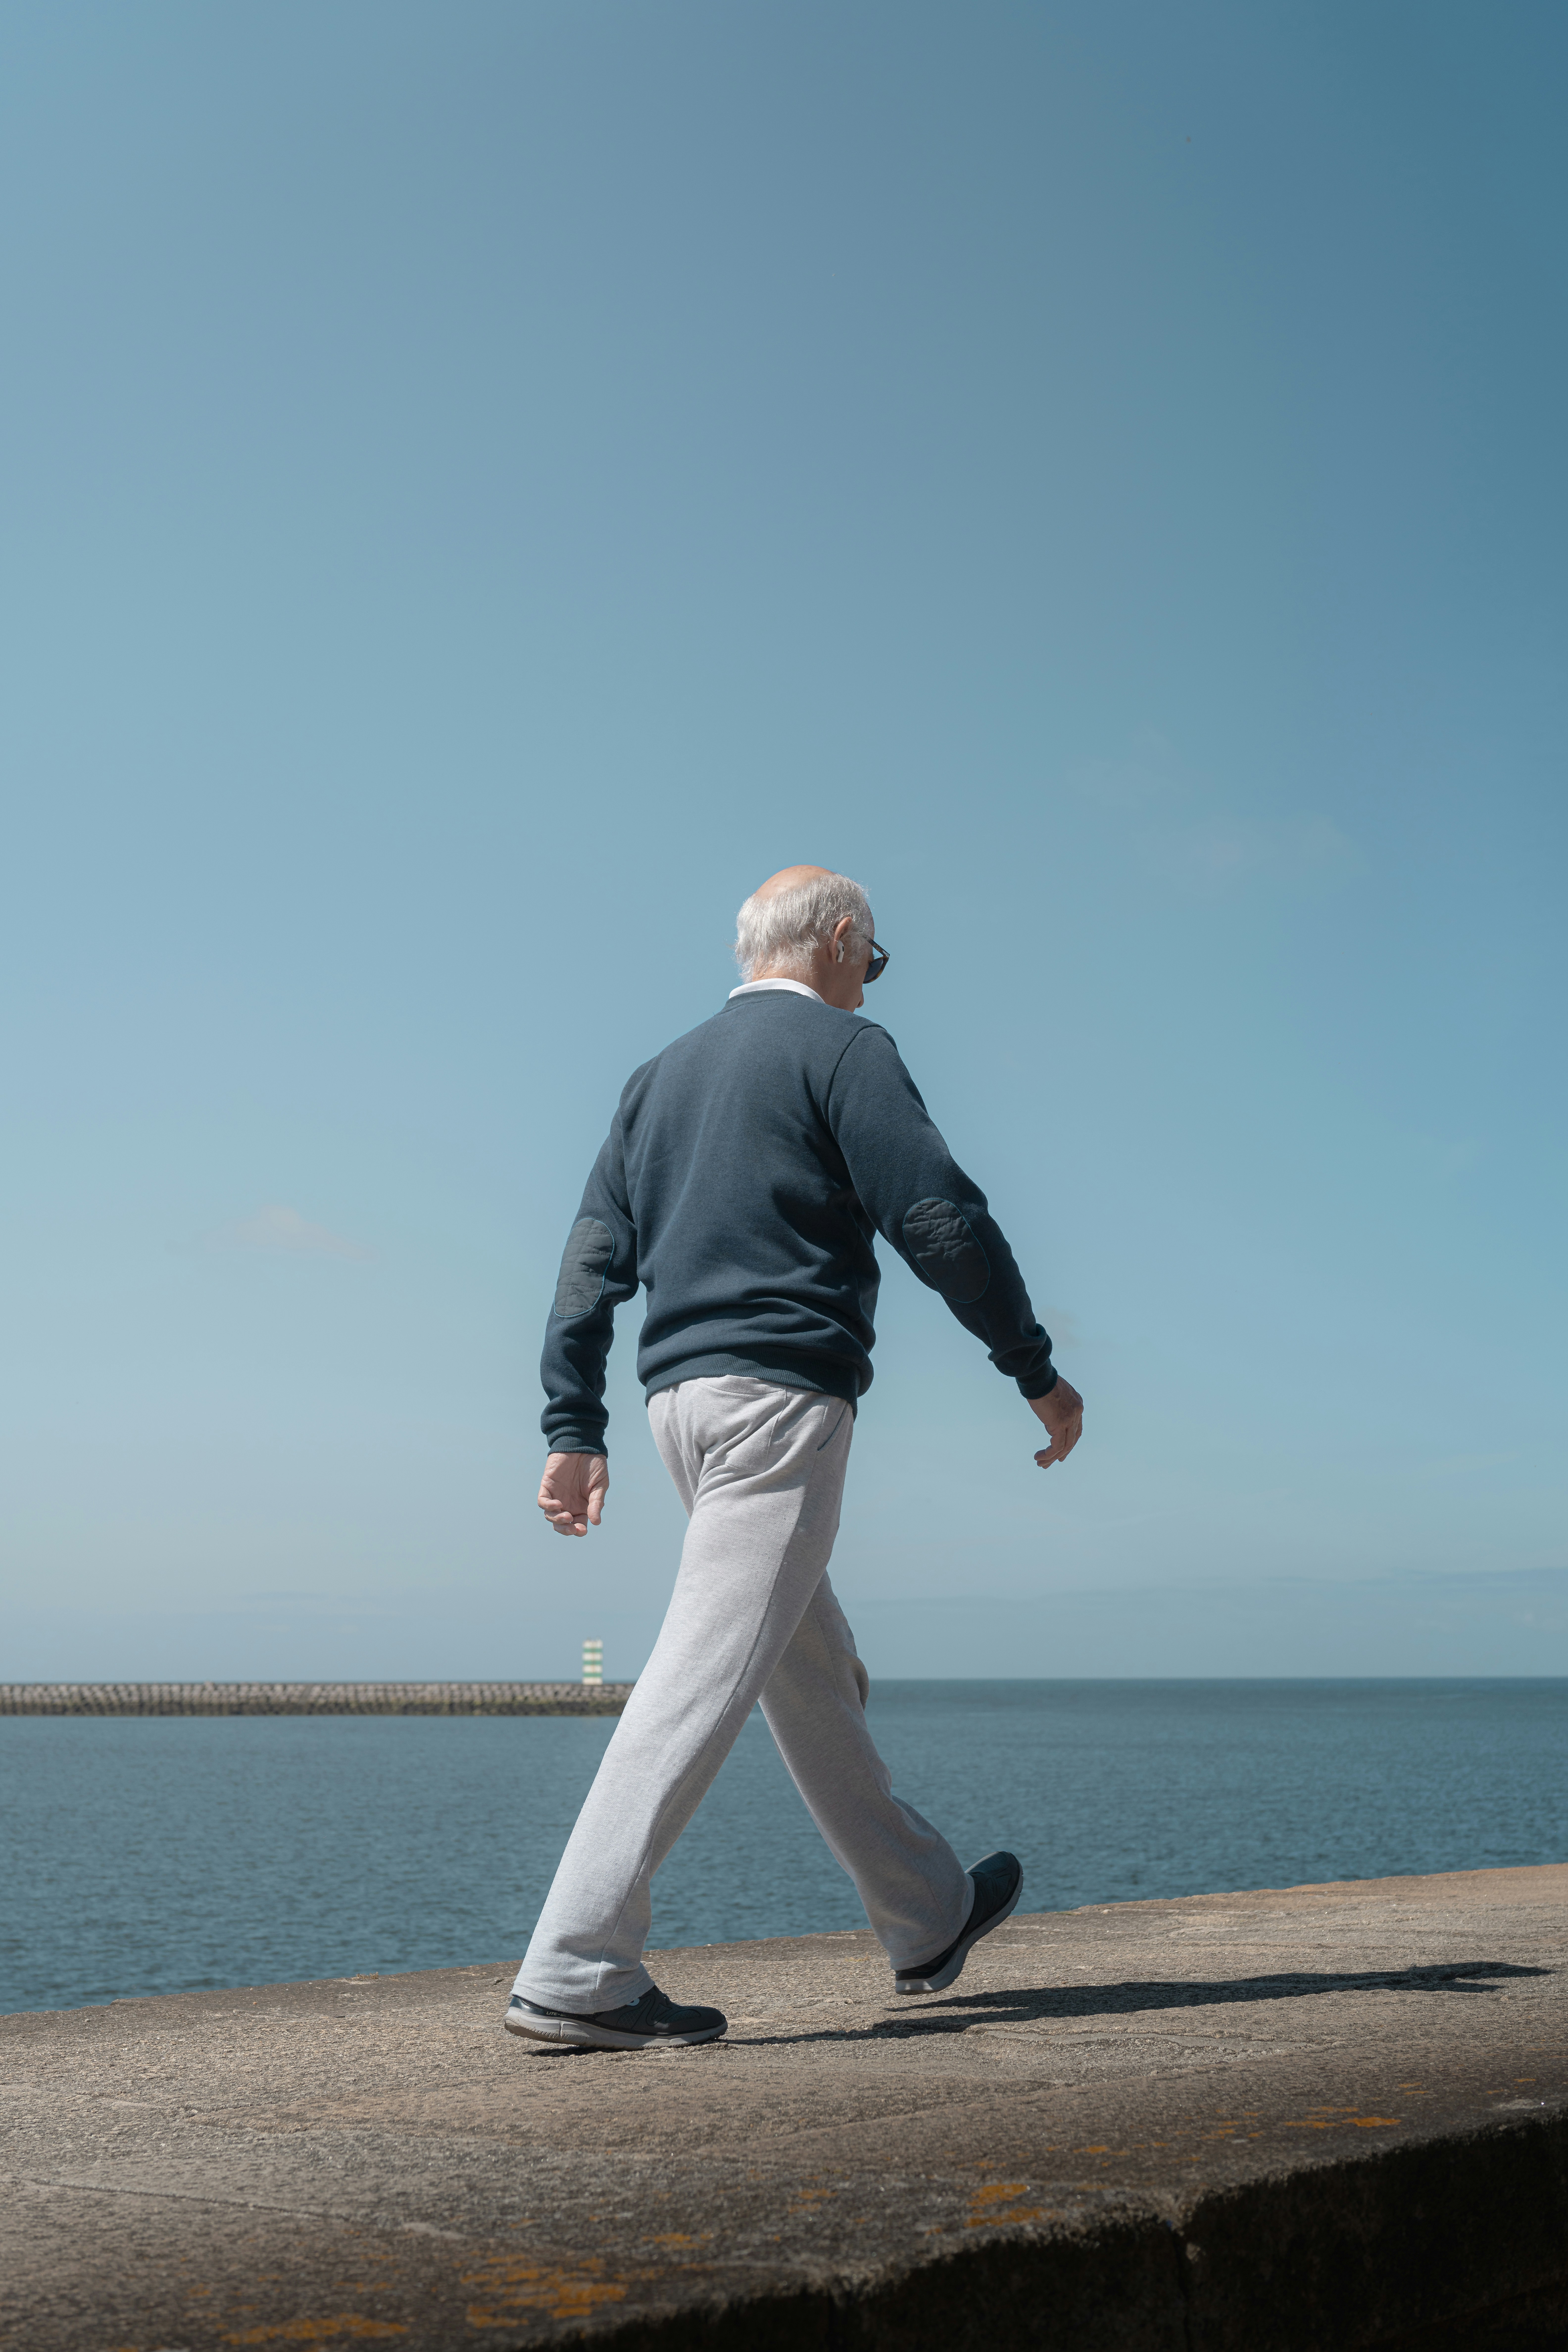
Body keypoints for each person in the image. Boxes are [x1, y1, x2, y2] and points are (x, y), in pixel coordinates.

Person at [505, 867, 1083, 2051]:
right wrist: (1034, 1369)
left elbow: (589, 1262)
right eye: (869, 960)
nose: (868, 979)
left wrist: (574, 1423)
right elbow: (939, 1221)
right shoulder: (842, 1049)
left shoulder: (656, 1077)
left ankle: (925, 1912)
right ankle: (575, 1966)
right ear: (839, 938)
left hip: (679, 1407)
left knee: (808, 1665)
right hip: (780, 1399)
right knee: (702, 1671)